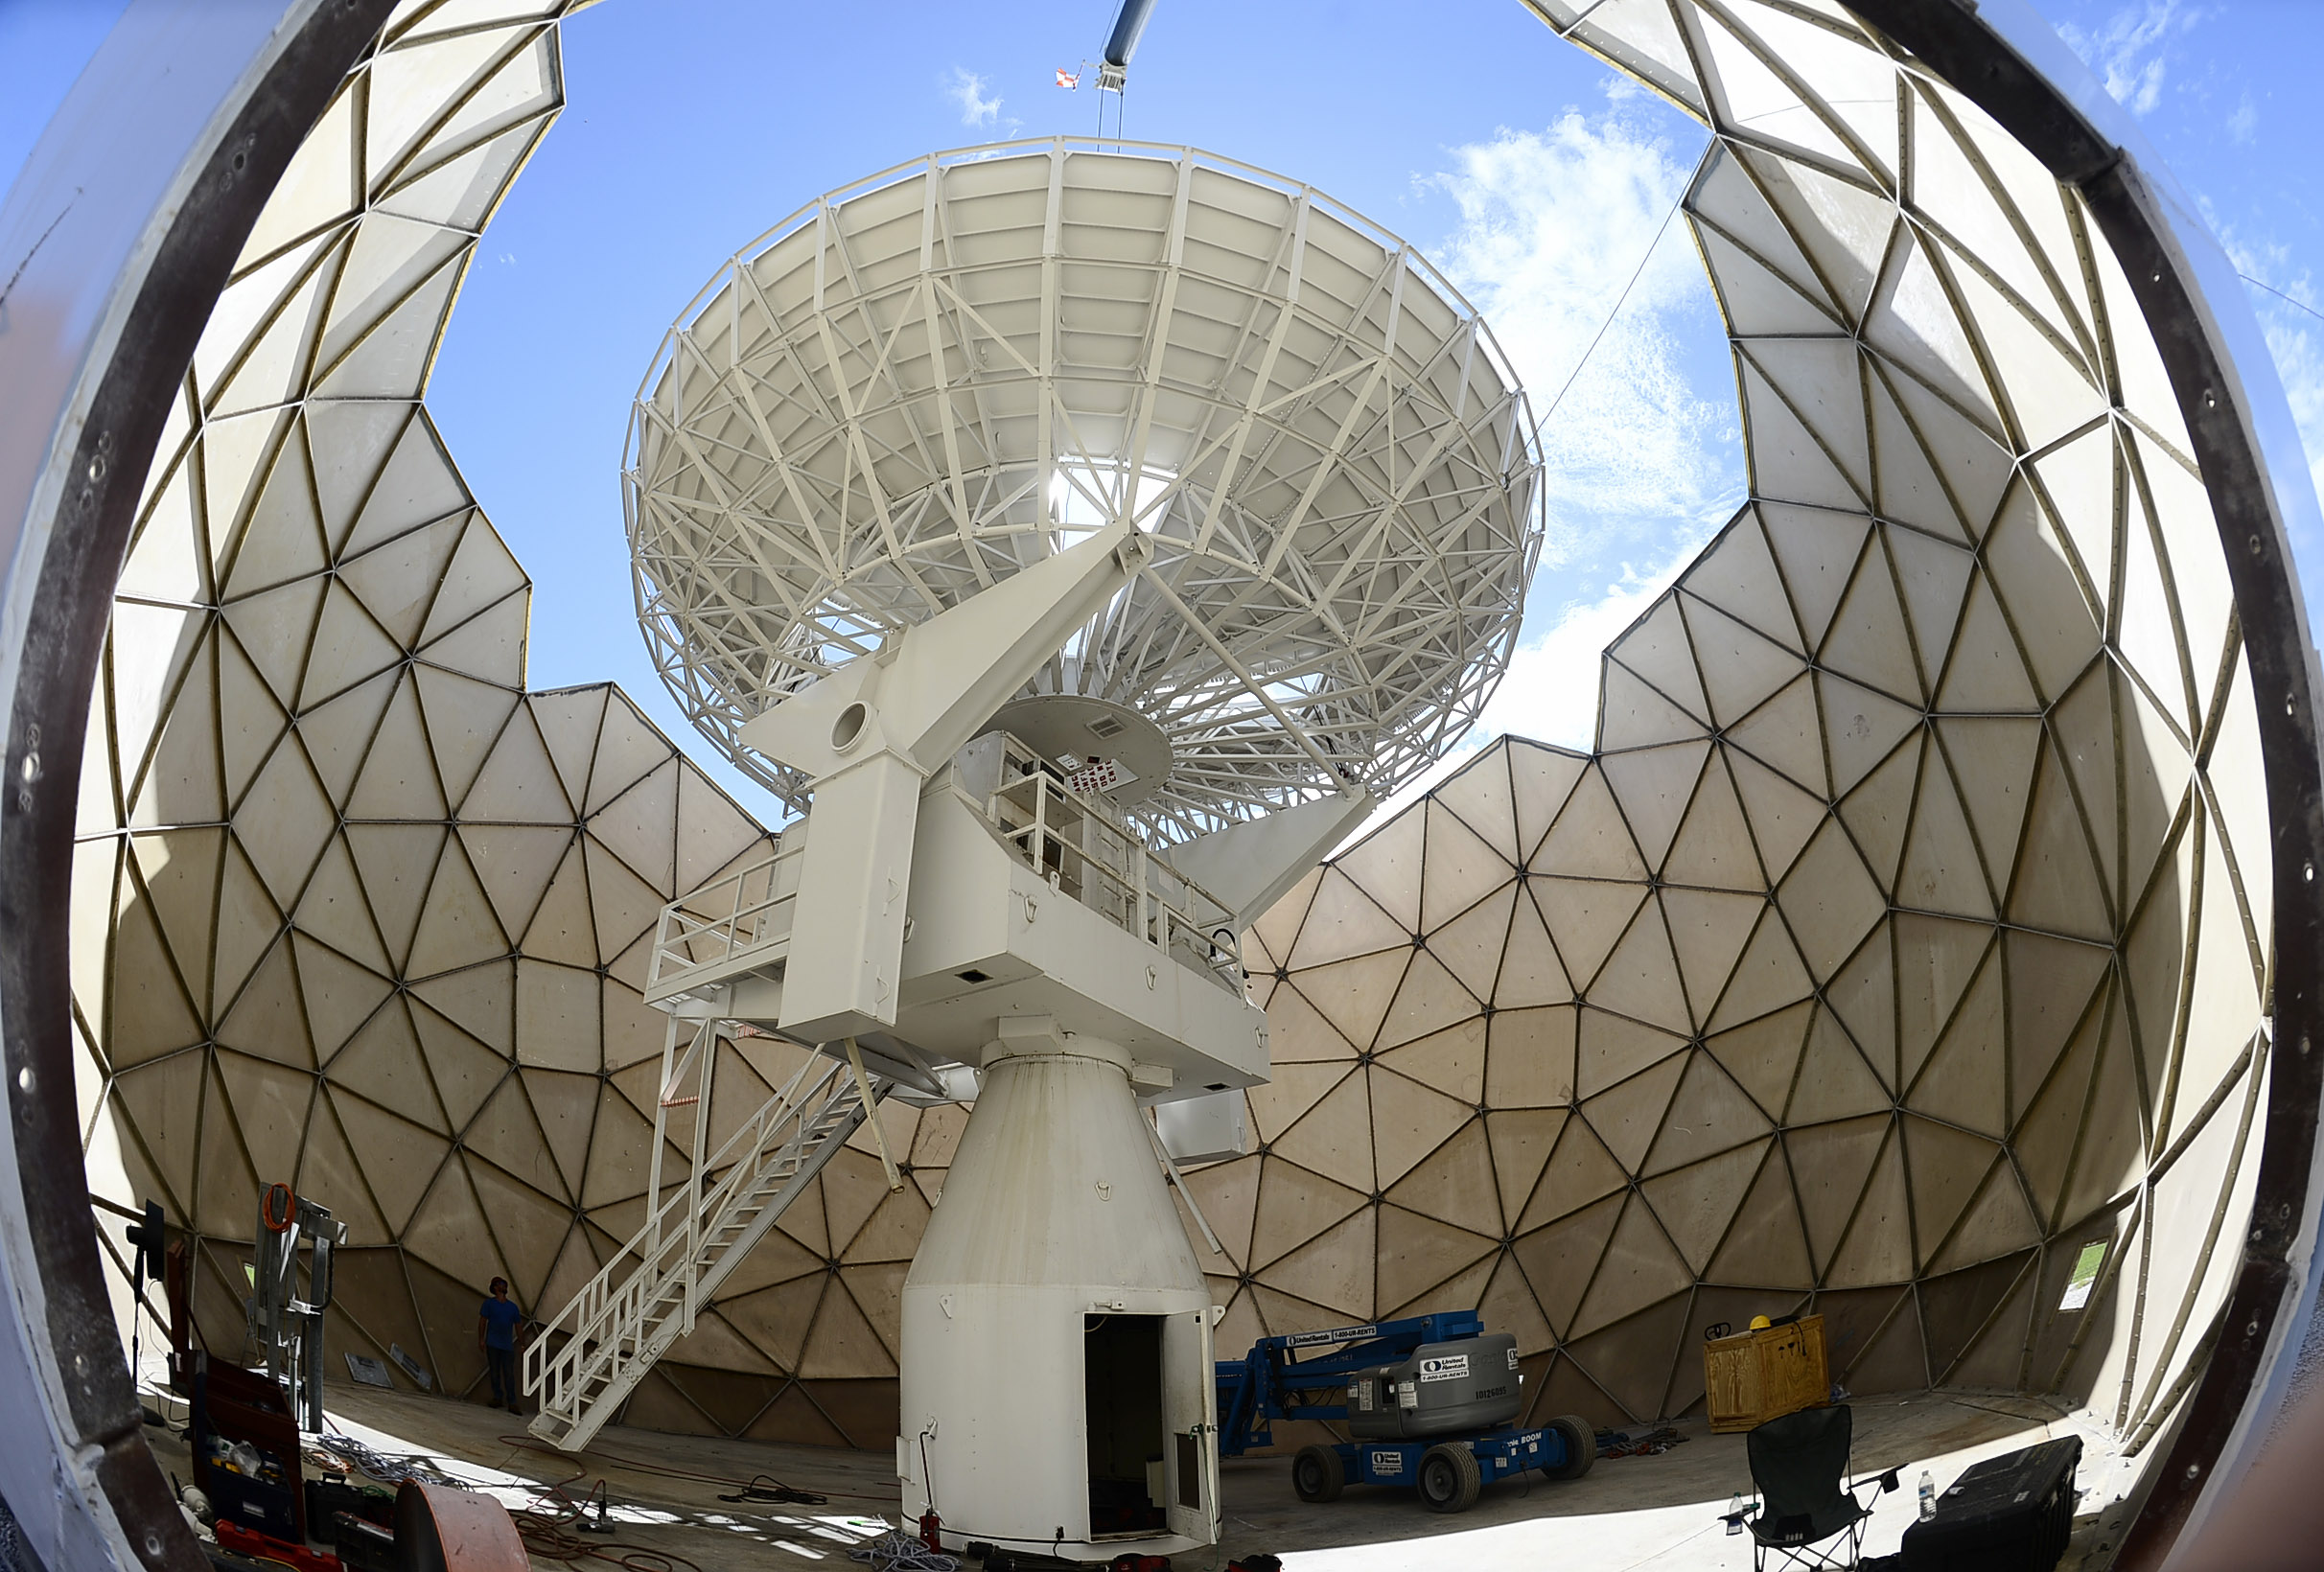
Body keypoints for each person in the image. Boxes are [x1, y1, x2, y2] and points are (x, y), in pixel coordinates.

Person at [477, 1278, 523, 1412]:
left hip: (507, 1346)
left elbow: (519, 1326)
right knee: (495, 1372)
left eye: (504, 1284)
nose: (503, 1286)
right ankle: (497, 1397)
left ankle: (512, 1401)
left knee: (509, 1374)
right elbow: (482, 1322)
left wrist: (522, 1344)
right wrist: (481, 1339)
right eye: (500, 1284)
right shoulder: (489, 1304)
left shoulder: (513, 1307)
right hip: (493, 1344)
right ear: (495, 1287)